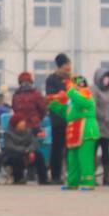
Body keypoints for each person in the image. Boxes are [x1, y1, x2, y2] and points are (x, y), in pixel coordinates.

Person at [48, 75, 98, 190]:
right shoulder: (72, 100)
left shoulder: (86, 94)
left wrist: (70, 91)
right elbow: (66, 112)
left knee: (85, 157)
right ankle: (72, 182)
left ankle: (88, 181)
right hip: (74, 130)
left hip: (86, 130)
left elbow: (83, 103)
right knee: (72, 158)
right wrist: (54, 102)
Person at [44, 53, 72, 183]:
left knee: (72, 149)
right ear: (61, 66)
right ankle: (55, 175)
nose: (69, 67)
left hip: (73, 119)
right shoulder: (51, 79)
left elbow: (83, 90)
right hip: (58, 120)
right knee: (57, 148)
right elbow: (50, 98)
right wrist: (61, 97)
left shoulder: (74, 79)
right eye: (67, 64)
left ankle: (72, 175)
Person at [92, 67, 109, 186]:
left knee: (106, 153)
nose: (106, 81)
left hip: (107, 128)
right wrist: (102, 116)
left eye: (108, 78)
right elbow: (93, 106)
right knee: (93, 152)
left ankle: (107, 177)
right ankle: (92, 176)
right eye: (104, 78)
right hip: (96, 126)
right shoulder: (94, 90)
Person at [0, 118, 40, 184]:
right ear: (15, 124)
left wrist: (29, 149)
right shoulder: (8, 133)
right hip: (12, 154)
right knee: (17, 156)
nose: (23, 124)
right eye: (21, 122)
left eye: (23, 122)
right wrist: (23, 150)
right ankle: (18, 178)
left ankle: (43, 178)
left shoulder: (28, 131)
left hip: (27, 152)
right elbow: (10, 146)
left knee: (38, 154)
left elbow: (34, 143)